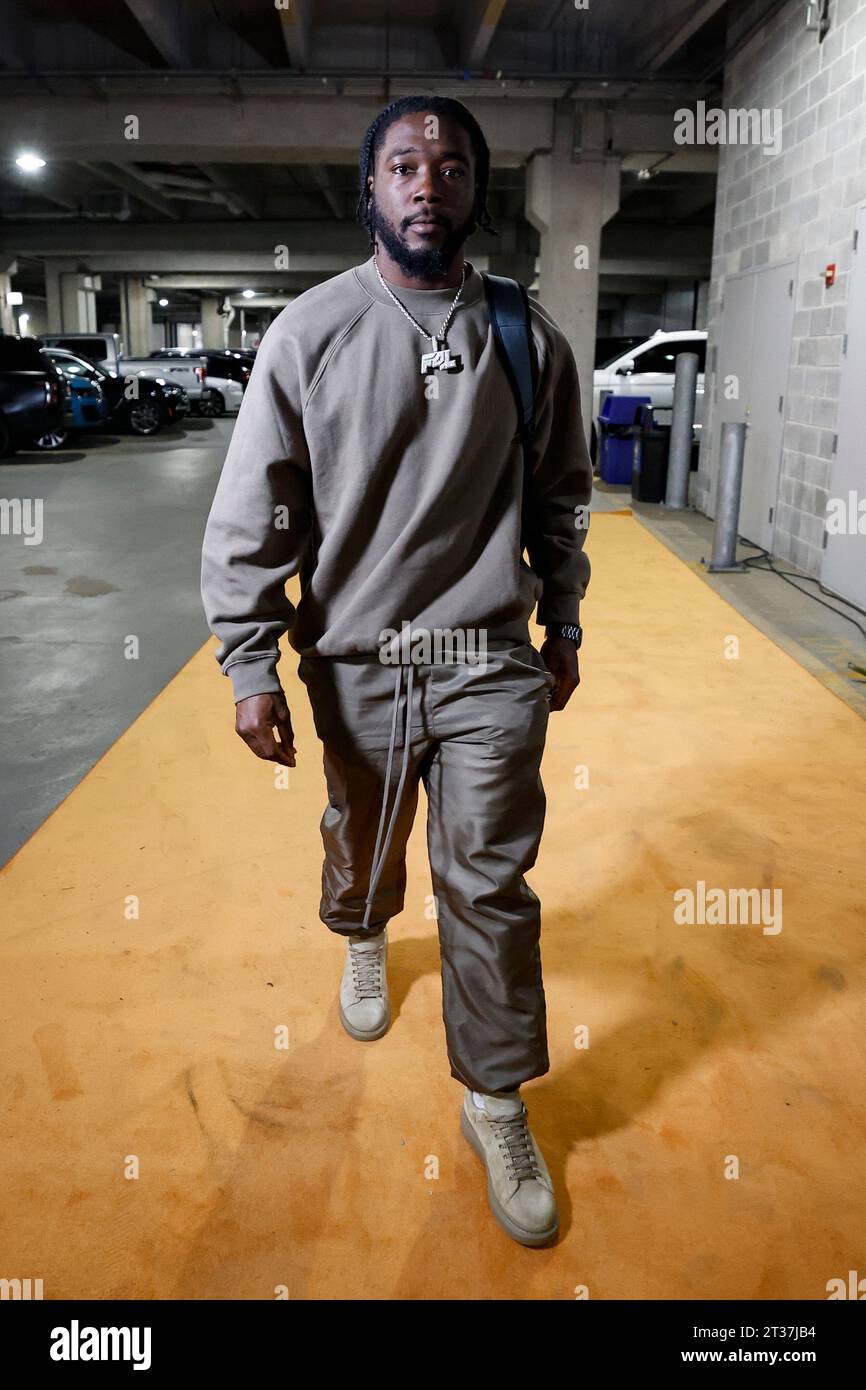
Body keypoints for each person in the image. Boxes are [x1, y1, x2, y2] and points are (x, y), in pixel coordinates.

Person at [200, 94, 592, 1248]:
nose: (429, 183)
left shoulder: (523, 334)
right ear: (368, 190)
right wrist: (246, 660)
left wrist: (561, 619)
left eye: (453, 165)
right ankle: (365, 929)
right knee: (361, 835)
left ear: (477, 190)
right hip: (356, 660)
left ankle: (493, 1095)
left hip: (484, 659)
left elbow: (562, 494)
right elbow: (254, 512)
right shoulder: (309, 333)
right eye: (405, 165)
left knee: (488, 882)